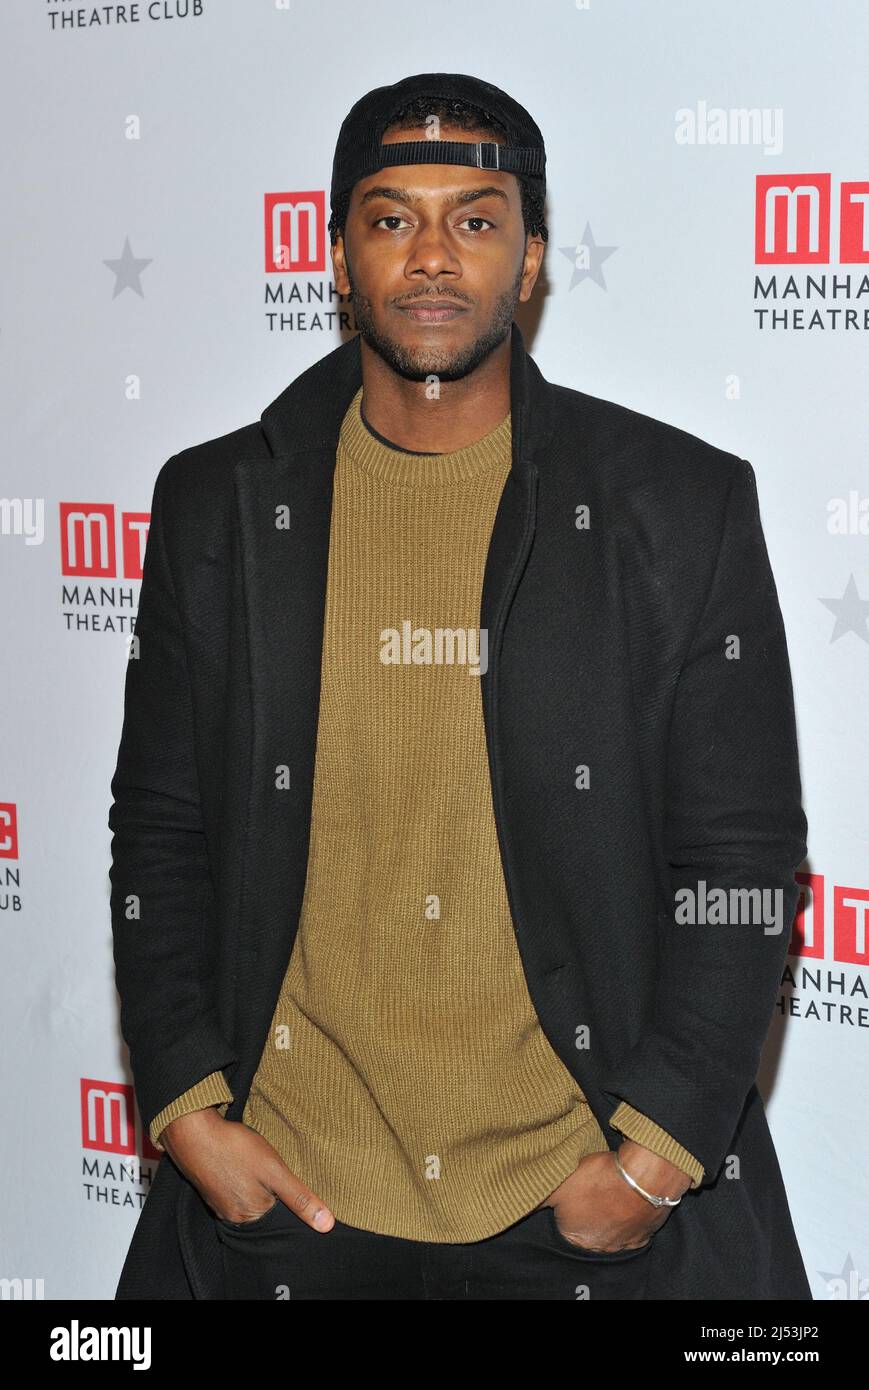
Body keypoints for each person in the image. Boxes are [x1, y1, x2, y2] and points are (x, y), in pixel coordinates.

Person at [109, 72, 811, 1300]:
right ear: (336, 254)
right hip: (290, 1210)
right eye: (390, 218)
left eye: (475, 220)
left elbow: (741, 864)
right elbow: (159, 829)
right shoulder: (215, 504)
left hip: (572, 1208)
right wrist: (184, 1108)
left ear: (531, 259)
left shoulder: (672, 506)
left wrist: (648, 1168)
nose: (431, 257)